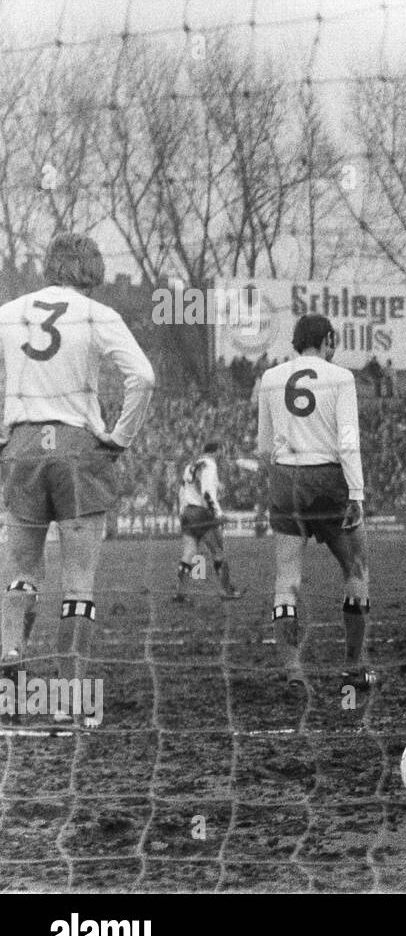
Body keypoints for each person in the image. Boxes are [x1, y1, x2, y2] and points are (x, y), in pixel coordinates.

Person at [0, 233, 155, 717]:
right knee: (79, 582)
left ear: (51, 265)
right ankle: (70, 696)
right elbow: (144, 377)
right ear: (89, 268)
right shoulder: (95, 313)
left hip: (22, 449)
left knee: (21, 572)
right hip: (77, 450)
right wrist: (121, 436)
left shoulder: (9, 311)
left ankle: (9, 676)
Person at [256, 313, 373, 693]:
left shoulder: (271, 378)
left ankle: (293, 670)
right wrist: (356, 492)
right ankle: (353, 669)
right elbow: (348, 440)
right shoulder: (341, 377)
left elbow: (262, 446)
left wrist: (279, 478)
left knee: (286, 577)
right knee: (355, 568)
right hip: (328, 479)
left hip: (285, 478)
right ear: (326, 339)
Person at [174, 441, 243, 603]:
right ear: (216, 451)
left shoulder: (191, 465)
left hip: (187, 512)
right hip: (202, 513)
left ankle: (180, 593)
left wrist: (182, 512)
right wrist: (218, 513)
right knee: (218, 552)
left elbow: (182, 490)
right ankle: (227, 592)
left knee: (189, 553)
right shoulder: (210, 465)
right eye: (222, 451)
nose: (222, 455)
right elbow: (207, 492)